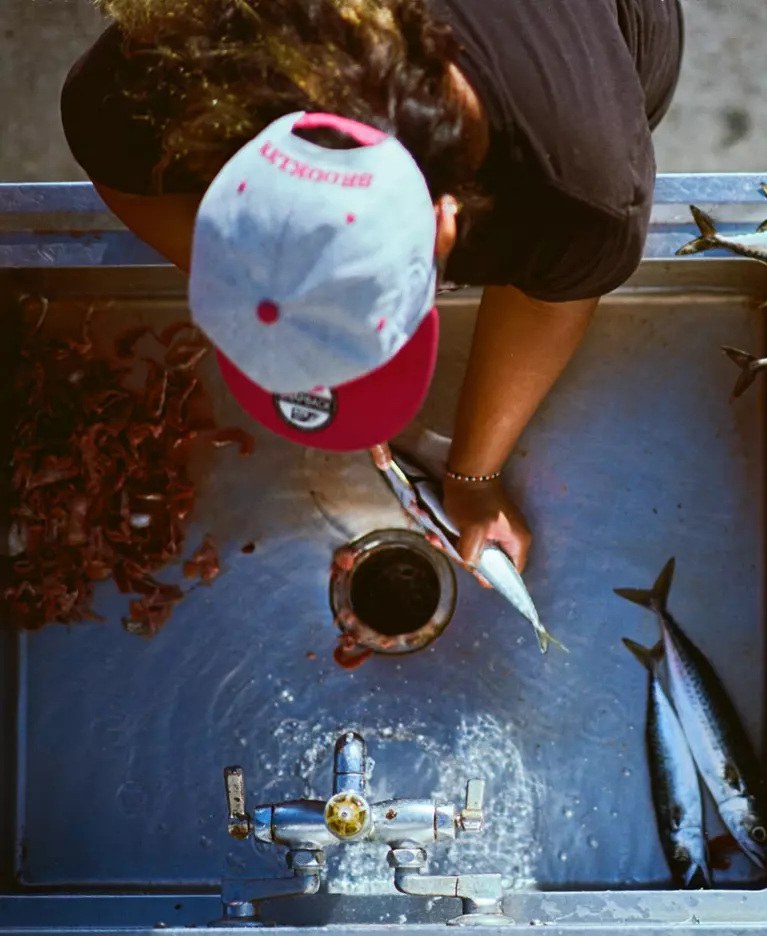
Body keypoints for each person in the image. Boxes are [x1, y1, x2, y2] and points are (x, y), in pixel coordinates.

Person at [59, 0, 684, 572]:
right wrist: (263, 290)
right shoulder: (187, 56)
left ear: (445, 228)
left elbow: (554, 294)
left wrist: (473, 475)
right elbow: (113, 158)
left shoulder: (581, 194)